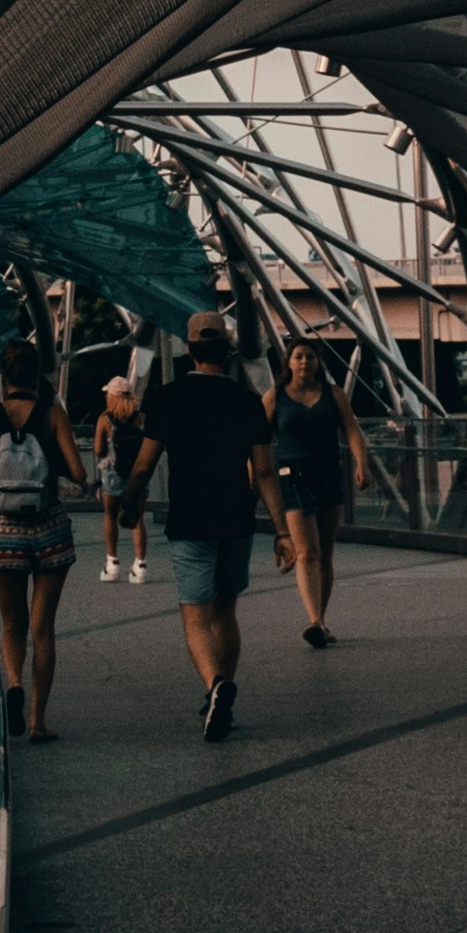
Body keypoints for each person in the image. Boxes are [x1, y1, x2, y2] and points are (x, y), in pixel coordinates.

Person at [145, 307, 279, 739]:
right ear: (227, 349)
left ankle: (215, 684)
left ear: (188, 349)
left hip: (189, 519)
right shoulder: (248, 402)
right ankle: (223, 694)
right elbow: (263, 472)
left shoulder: (168, 397)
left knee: (195, 613)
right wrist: (281, 529)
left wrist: (130, 501)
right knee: (225, 610)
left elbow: (145, 462)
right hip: (236, 518)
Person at [0, 339, 79, 740]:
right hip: (49, 529)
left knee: (13, 625)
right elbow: (80, 473)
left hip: (2, 530)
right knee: (42, 626)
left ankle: (14, 685)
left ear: (2, 376)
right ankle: (38, 722)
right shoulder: (53, 414)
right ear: (37, 374)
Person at [270, 334, 366, 647]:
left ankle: (322, 621)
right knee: (306, 552)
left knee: (325, 553)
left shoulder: (333, 394)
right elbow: (255, 438)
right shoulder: (275, 397)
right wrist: (252, 475)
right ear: (288, 362)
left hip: (327, 473)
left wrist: (361, 463)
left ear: (317, 362)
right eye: (298, 356)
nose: (305, 362)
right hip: (292, 476)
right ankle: (313, 620)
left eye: (310, 356)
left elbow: (352, 429)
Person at [89, 360, 155, 583]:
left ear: (112, 396)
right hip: (138, 474)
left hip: (112, 474)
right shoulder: (141, 418)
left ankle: (112, 563)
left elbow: (98, 450)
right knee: (137, 518)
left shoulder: (105, 419)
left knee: (110, 515)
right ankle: (140, 565)